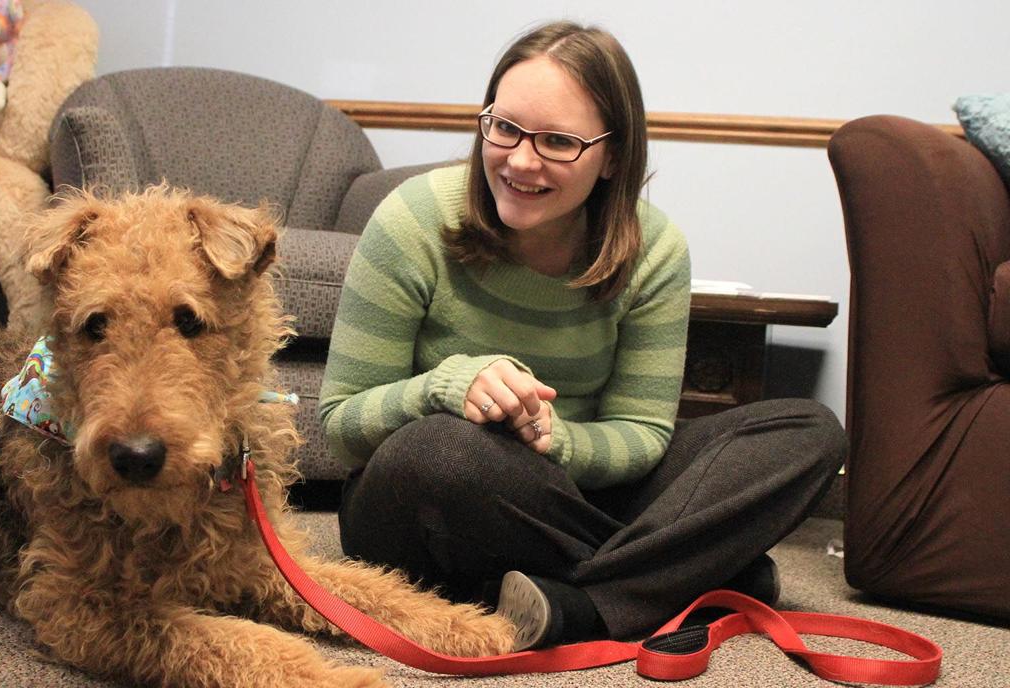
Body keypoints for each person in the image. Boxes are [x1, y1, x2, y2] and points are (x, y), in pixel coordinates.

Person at [318, 20, 845, 650]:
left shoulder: (654, 249)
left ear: (613, 156)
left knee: (808, 433)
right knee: (440, 450)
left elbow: (644, 433)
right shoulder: (411, 219)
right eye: (505, 127)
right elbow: (341, 428)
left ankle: (582, 606)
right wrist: (444, 387)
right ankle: (691, 574)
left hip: (567, 487)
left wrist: (554, 438)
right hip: (421, 506)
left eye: (558, 141)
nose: (519, 160)